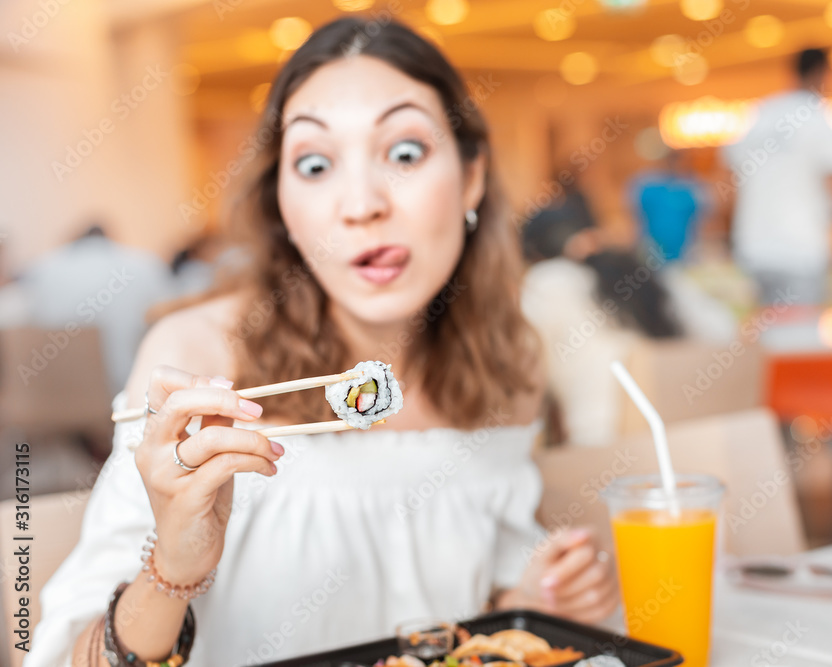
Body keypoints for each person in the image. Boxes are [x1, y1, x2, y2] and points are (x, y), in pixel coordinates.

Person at [27, 19, 617, 667]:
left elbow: (453, 617)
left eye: (405, 153)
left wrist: (527, 599)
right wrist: (172, 565)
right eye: (314, 163)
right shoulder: (197, 358)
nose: (361, 204)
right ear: (282, 201)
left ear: (472, 176)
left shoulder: (509, 362)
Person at [521, 209, 685, 446]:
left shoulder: (547, 280)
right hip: (680, 433)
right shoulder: (640, 271)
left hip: (600, 445)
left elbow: (520, 373)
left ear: (533, 255)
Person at [722, 48, 832, 306]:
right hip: (800, 250)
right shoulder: (818, 117)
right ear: (822, 73)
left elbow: (726, 183)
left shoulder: (759, 113)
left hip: (753, 249)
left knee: (765, 338)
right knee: (798, 340)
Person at [0, 224, 175, 392]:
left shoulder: (41, 269)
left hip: (51, 396)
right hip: (126, 390)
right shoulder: (146, 265)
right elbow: (169, 317)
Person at [628, 149, 706, 262]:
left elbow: (702, 220)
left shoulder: (692, 188)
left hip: (685, 252)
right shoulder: (645, 185)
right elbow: (633, 218)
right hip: (651, 249)